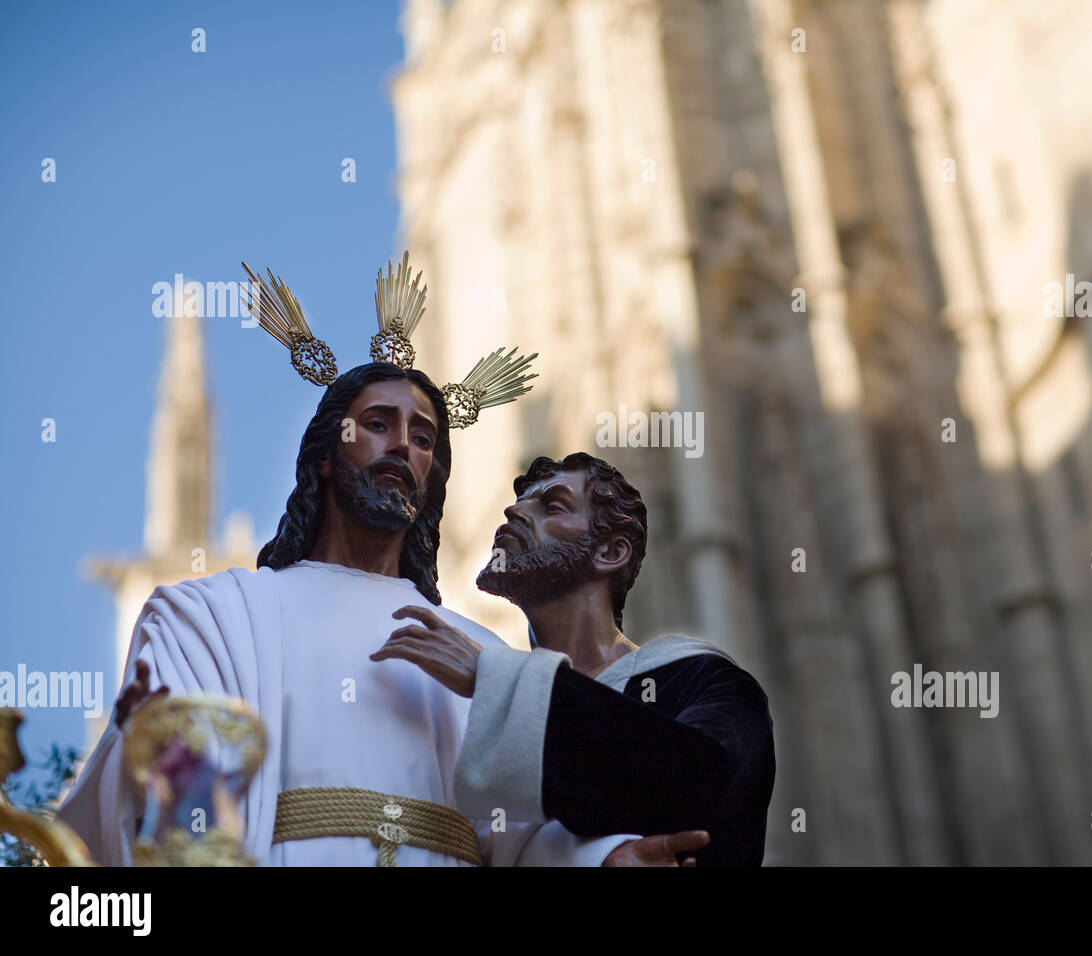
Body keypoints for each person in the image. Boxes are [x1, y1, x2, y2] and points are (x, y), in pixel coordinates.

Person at [57, 256, 691, 866]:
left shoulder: (476, 655)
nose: (402, 445)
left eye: (422, 437)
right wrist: (152, 750)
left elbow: (522, 839)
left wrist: (606, 858)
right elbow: (158, 805)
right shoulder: (215, 616)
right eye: (379, 424)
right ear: (328, 453)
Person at [371, 452, 776, 865]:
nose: (514, 509)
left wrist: (495, 678)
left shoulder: (700, 678)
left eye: (553, 505)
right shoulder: (473, 711)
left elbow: (699, 785)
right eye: (521, 501)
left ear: (610, 552)